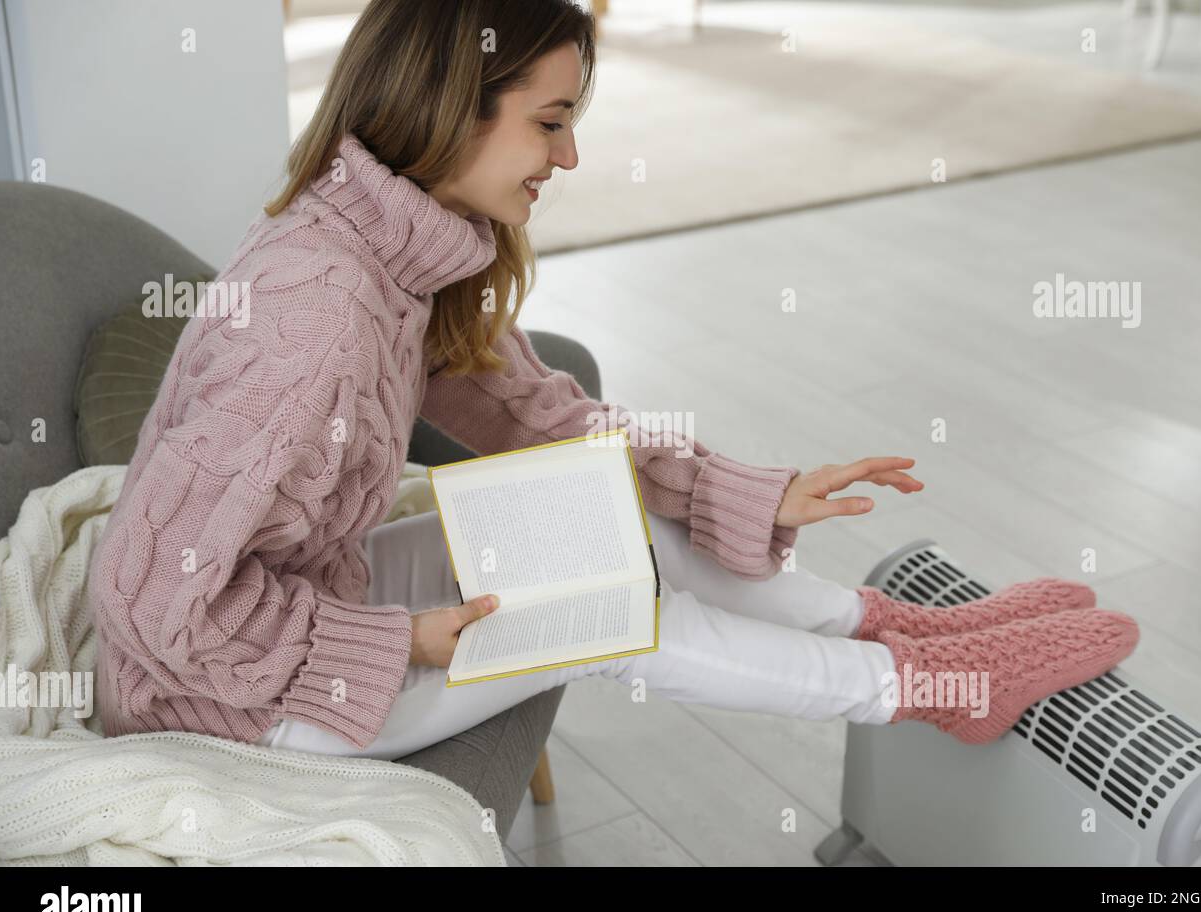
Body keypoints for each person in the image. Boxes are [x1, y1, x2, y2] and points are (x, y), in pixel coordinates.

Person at [88, 0, 1138, 763]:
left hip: (313, 602)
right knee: (599, 613)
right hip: (233, 697)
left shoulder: (395, 248)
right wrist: (391, 640)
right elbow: (147, 602)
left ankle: (891, 626)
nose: (571, 155)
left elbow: (545, 423)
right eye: (548, 121)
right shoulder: (314, 317)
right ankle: (929, 686)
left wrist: (747, 491)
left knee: (597, 497)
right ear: (453, 107)